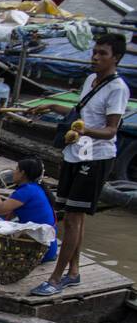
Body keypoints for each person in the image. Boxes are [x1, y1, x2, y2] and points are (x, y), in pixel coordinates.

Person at [26, 33, 130, 296]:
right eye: (94, 52)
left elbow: (110, 130)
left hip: (95, 159)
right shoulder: (89, 80)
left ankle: (56, 278)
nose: (95, 57)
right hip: (76, 155)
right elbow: (80, 113)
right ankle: (73, 272)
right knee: (75, 219)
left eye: (102, 54)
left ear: (115, 58)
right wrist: (50, 106)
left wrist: (82, 131)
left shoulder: (117, 88)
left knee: (72, 220)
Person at [0, 157, 59, 263]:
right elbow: (9, 212)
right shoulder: (36, 188)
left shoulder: (27, 191)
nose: (14, 172)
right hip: (49, 248)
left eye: (16, 169)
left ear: (22, 173)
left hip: (40, 250)